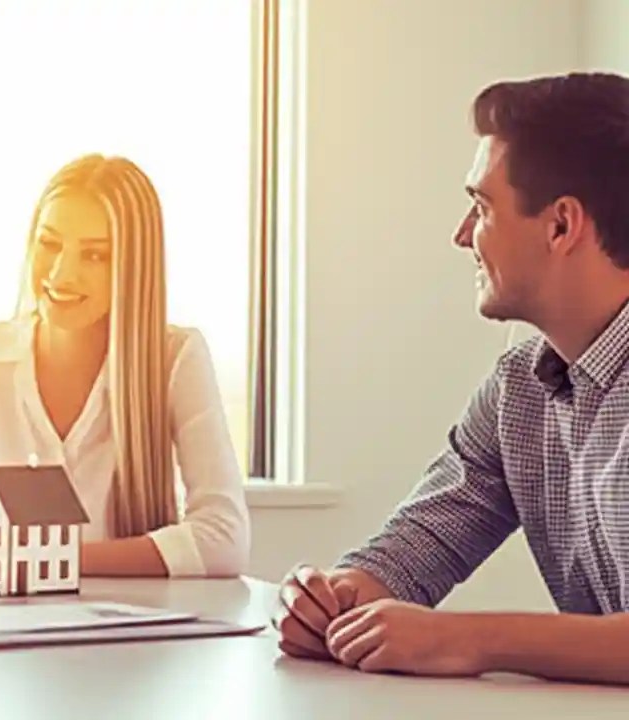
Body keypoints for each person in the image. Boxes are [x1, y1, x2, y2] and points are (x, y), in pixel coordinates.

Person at [273, 71, 629, 685]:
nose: (462, 234)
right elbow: (416, 549)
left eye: (482, 206)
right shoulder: (519, 390)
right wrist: (331, 602)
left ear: (561, 226)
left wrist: (471, 638)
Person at [0, 153, 250, 579]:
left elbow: (224, 540)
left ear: (133, 266)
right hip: (6, 627)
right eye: (49, 244)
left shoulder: (176, 356)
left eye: (94, 256)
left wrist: (50, 561)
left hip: (132, 630)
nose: (61, 273)